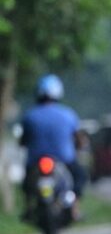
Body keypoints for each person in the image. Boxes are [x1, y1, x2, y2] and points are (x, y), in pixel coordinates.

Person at [20, 74, 88, 220]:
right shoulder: (68, 114)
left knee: (26, 182)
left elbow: (23, 141)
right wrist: (78, 146)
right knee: (80, 176)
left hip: (35, 161)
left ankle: (28, 208)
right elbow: (79, 140)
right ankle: (75, 207)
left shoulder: (29, 116)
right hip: (64, 159)